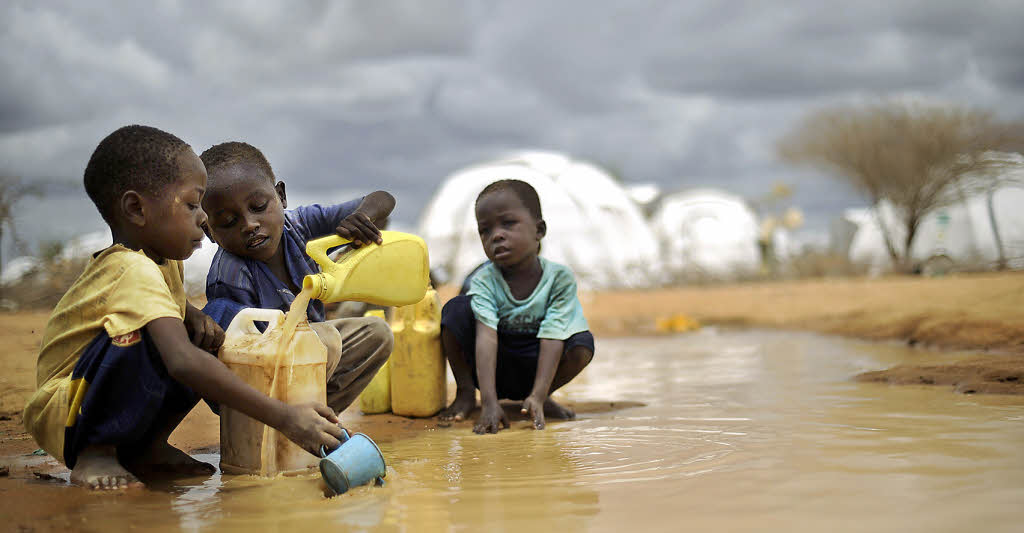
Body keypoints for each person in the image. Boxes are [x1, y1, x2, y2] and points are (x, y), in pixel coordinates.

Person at [22, 125, 344, 490]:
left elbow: (176, 316)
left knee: (207, 327)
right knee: (152, 343)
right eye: (192, 205)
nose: (204, 219)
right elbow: (181, 363)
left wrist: (192, 315)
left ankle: (148, 447)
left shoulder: (161, 261)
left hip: (92, 399)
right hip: (68, 411)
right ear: (136, 209)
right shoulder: (130, 268)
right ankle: (96, 452)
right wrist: (285, 418)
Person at [199, 141, 393, 415]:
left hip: (310, 358)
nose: (249, 224)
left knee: (376, 334)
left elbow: (383, 198)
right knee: (322, 340)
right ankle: (286, 426)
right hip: (260, 381)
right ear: (209, 232)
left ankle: (317, 419)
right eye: (229, 222)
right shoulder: (230, 277)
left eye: (258, 206)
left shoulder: (300, 225)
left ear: (280, 196)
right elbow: (241, 355)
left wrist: (362, 216)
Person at [439, 179, 594, 434]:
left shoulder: (558, 279)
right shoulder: (484, 280)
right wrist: (489, 403)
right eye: (485, 230)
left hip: (537, 368)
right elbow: (486, 338)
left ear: (539, 230)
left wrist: (540, 393)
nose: (496, 235)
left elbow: (554, 336)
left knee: (582, 343)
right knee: (455, 310)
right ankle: (466, 394)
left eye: (508, 223)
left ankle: (537, 400)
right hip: (493, 367)